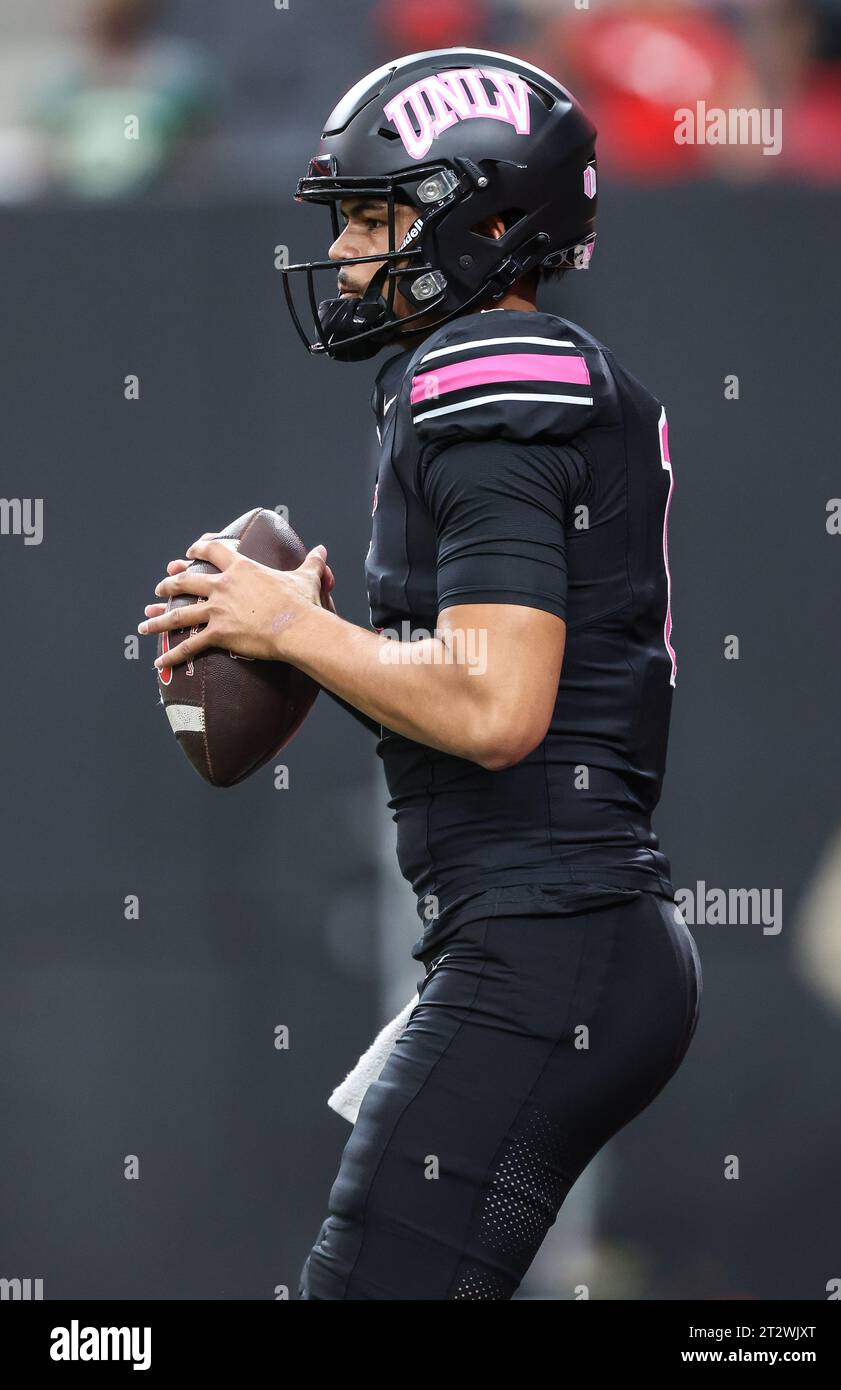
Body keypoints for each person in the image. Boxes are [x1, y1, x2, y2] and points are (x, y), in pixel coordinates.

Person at [141, 48, 703, 1300]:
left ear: (489, 222)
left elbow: (497, 712)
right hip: (560, 942)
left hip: (546, 944)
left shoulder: (479, 377)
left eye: (374, 218)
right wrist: (331, 640)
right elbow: (487, 684)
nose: (345, 257)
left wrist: (290, 630)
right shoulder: (500, 378)